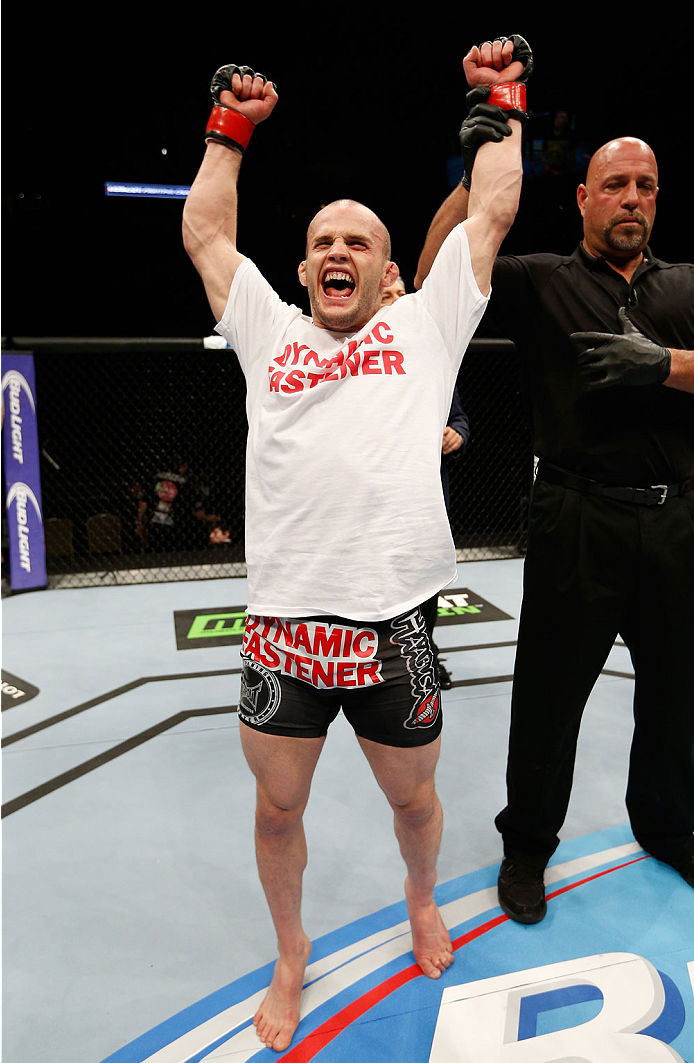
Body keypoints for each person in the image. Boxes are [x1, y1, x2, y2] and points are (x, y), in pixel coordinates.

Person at [182, 38, 527, 1052]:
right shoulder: (272, 331)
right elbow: (206, 233)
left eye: (359, 243)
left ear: (385, 272)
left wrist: (499, 99)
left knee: (414, 800)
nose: (339, 251)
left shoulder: (425, 327)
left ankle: (421, 898)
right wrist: (230, 131)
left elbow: (493, 208)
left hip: (396, 630)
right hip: (284, 635)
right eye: (323, 240)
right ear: (301, 268)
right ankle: (292, 950)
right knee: (278, 812)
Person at [415, 92, 694, 925]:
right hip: (576, 518)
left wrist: (665, 364)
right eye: (615, 185)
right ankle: (529, 844)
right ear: (584, 197)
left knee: (679, 695)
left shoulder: (686, 286)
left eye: (645, 185)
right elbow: (434, 279)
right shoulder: (542, 280)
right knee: (548, 699)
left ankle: (670, 823)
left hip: (678, 520)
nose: (632, 198)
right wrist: (470, 180)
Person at [381, 275, 471, 688]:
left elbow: (459, 418)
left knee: (428, 586)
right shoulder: (344, 359)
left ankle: (424, 658)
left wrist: (457, 434)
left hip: (429, 501)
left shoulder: (431, 359)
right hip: (375, 506)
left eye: (403, 295)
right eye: (389, 296)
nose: (400, 302)